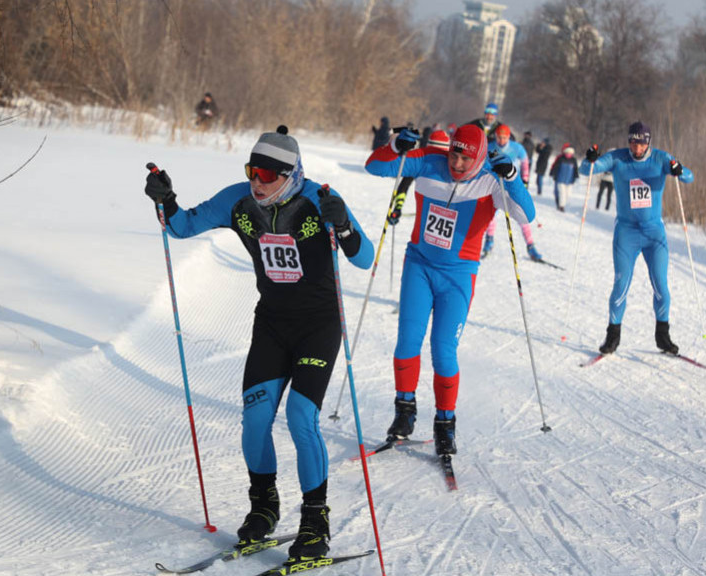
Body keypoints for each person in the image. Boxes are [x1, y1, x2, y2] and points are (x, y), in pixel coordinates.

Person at [144, 126, 374, 561]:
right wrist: (165, 199)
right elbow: (181, 226)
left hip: (318, 325)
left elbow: (365, 258)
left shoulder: (319, 201)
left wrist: (342, 224)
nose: (258, 182)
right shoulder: (238, 201)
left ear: (292, 174)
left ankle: (314, 521)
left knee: (301, 417)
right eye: (253, 171)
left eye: (268, 174)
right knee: (254, 420)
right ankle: (264, 507)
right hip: (272, 324)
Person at [364, 124, 536, 458]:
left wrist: (512, 178)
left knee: (443, 350)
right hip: (419, 266)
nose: (457, 164)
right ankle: (404, 412)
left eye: (466, 159)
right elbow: (375, 166)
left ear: (480, 157)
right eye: (454, 155)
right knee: (406, 342)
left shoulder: (490, 178)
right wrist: (395, 146)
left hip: (457, 276)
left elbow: (525, 214)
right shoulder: (429, 160)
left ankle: (445, 426)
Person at [580, 121, 694, 356]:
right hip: (627, 233)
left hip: (654, 234)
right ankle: (612, 336)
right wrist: (589, 158)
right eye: (633, 141)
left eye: (641, 142)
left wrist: (679, 170)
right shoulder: (618, 158)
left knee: (661, 286)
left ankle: (663, 337)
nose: (637, 147)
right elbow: (587, 169)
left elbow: (689, 177)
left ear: (648, 142)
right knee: (621, 285)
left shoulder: (661, 159)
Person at [482, 124, 544, 261]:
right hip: (497, 185)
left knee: (522, 216)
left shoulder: (517, 148)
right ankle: (489, 240)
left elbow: (525, 163)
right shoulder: (491, 146)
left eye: (504, 138)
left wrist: (525, 180)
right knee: (493, 215)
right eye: (499, 137)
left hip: (513, 185)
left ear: (508, 137)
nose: (501, 140)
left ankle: (530, 246)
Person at [549, 144, 579, 211]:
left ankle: (562, 204)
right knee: (561, 193)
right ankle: (561, 206)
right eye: (567, 152)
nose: (568, 154)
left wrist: (576, 177)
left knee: (567, 194)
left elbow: (575, 169)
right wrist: (553, 174)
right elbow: (556, 167)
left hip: (569, 180)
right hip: (560, 179)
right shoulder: (560, 158)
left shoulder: (573, 160)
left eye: (570, 153)